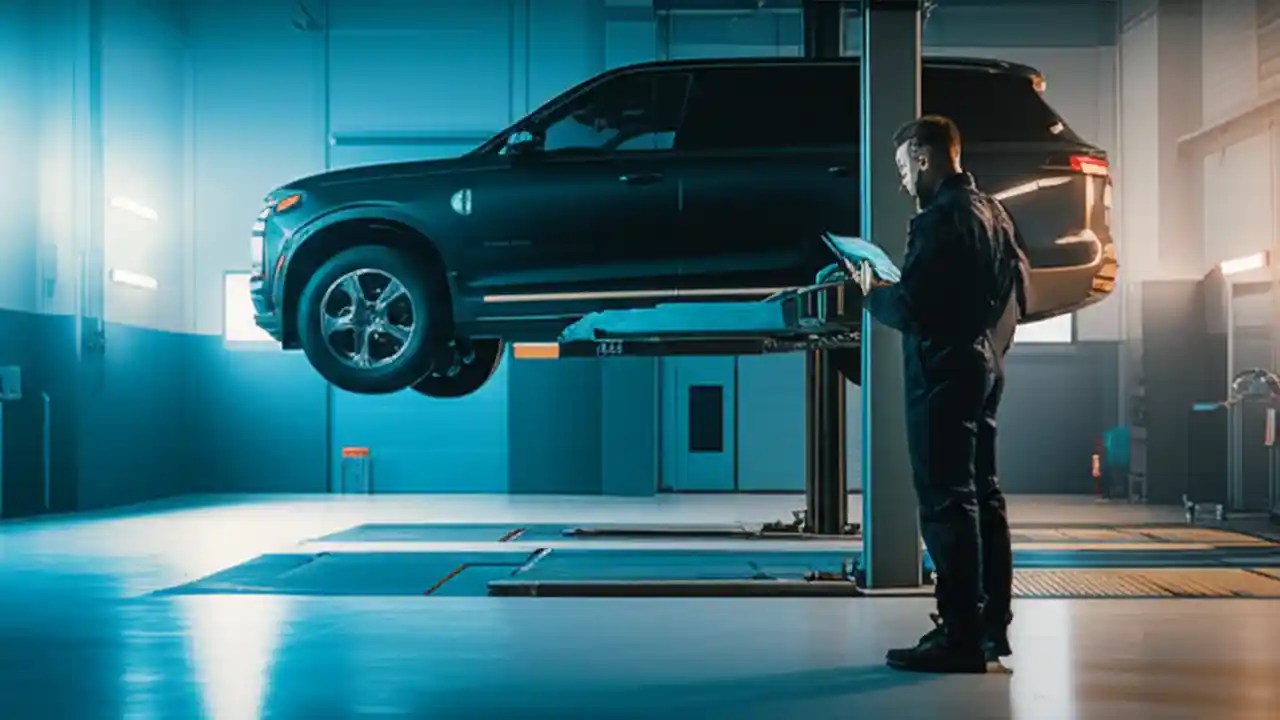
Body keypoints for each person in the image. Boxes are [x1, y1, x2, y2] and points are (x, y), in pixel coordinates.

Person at [863, 115, 1029, 674]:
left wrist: (871, 294)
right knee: (985, 496)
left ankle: (957, 635)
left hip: (943, 371)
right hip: (985, 366)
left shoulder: (940, 219)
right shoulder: (995, 213)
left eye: (903, 167)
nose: (902, 179)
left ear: (924, 156)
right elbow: (1017, 295)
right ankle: (989, 629)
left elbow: (914, 307)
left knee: (944, 499)